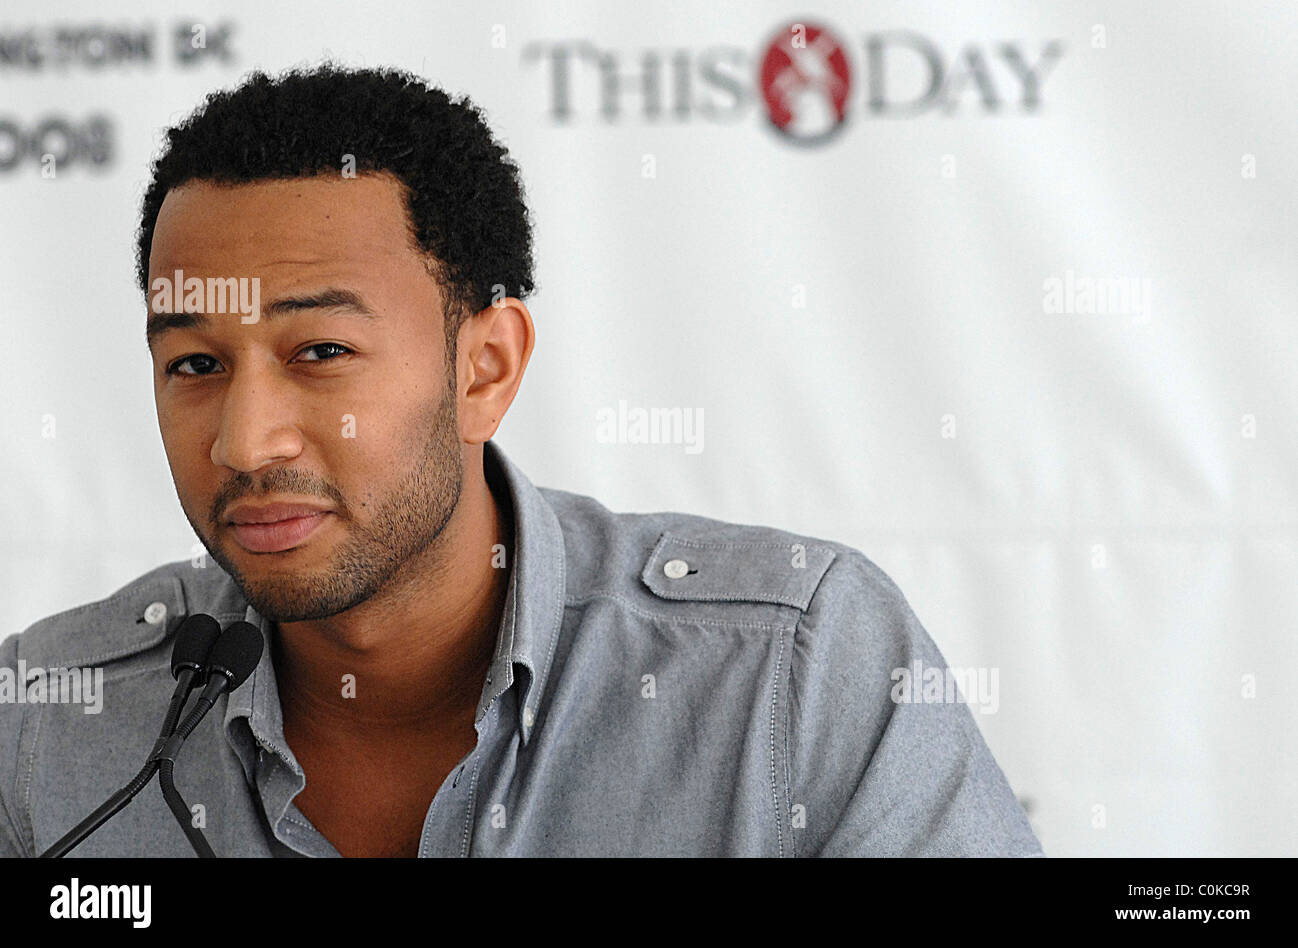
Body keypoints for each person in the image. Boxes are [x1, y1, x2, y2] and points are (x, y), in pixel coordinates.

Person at [0, 65, 1042, 857]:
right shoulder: (48, 727)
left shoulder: (792, 671)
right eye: (193, 363)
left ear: (484, 369)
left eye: (321, 353)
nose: (243, 439)